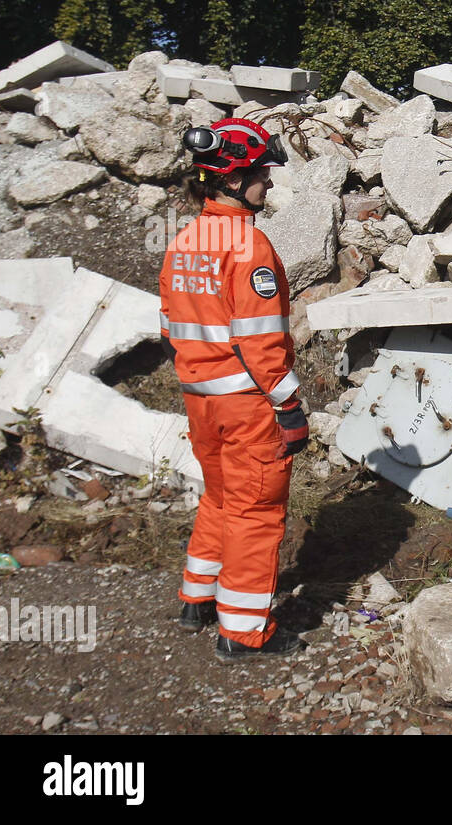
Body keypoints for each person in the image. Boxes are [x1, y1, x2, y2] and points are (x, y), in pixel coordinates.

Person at [159, 118, 309, 664]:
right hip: (247, 406)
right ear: (232, 178)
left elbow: (169, 324)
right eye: (261, 173)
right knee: (255, 512)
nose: (267, 182)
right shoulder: (249, 246)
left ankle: (197, 599)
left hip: (199, 398)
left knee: (220, 499)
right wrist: (289, 407)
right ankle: (243, 631)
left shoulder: (185, 242)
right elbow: (262, 343)